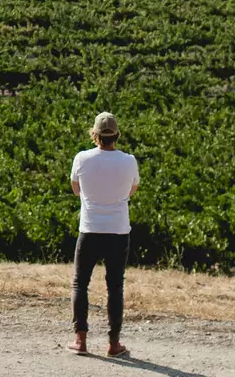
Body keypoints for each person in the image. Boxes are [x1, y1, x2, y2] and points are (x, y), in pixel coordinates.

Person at [68, 112, 139, 357]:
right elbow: (132, 190)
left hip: (89, 228)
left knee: (80, 282)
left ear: (94, 135)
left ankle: (80, 340)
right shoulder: (129, 161)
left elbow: (76, 189)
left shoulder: (82, 158)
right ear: (116, 135)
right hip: (118, 230)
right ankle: (113, 343)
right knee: (115, 285)